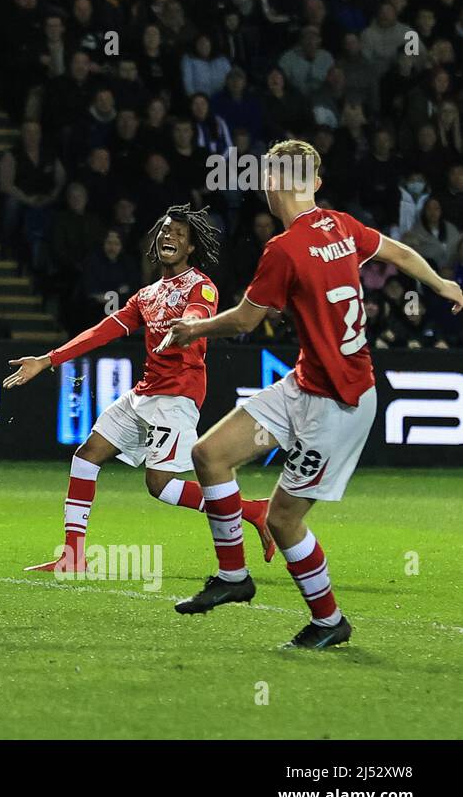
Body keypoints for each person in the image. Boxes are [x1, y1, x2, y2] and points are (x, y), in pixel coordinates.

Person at [166, 140, 463, 648]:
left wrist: (191, 330)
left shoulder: (283, 249)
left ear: (270, 183)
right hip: (305, 384)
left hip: (340, 403)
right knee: (209, 454)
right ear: (316, 183)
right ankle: (234, 577)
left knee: (283, 518)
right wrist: (442, 283)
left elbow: (244, 319)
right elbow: (402, 251)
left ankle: (330, 622)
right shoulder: (342, 226)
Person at [4, 205, 275, 574]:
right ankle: (73, 556)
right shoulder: (146, 296)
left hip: (177, 397)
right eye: (165, 231)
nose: (170, 237)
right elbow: (101, 331)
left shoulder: (201, 286)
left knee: (159, 484)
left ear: (191, 247)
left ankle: (253, 510)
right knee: (87, 455)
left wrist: (189, 324)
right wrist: (47, 360)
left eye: (180, 234)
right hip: (144, 393)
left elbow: (199, 312)